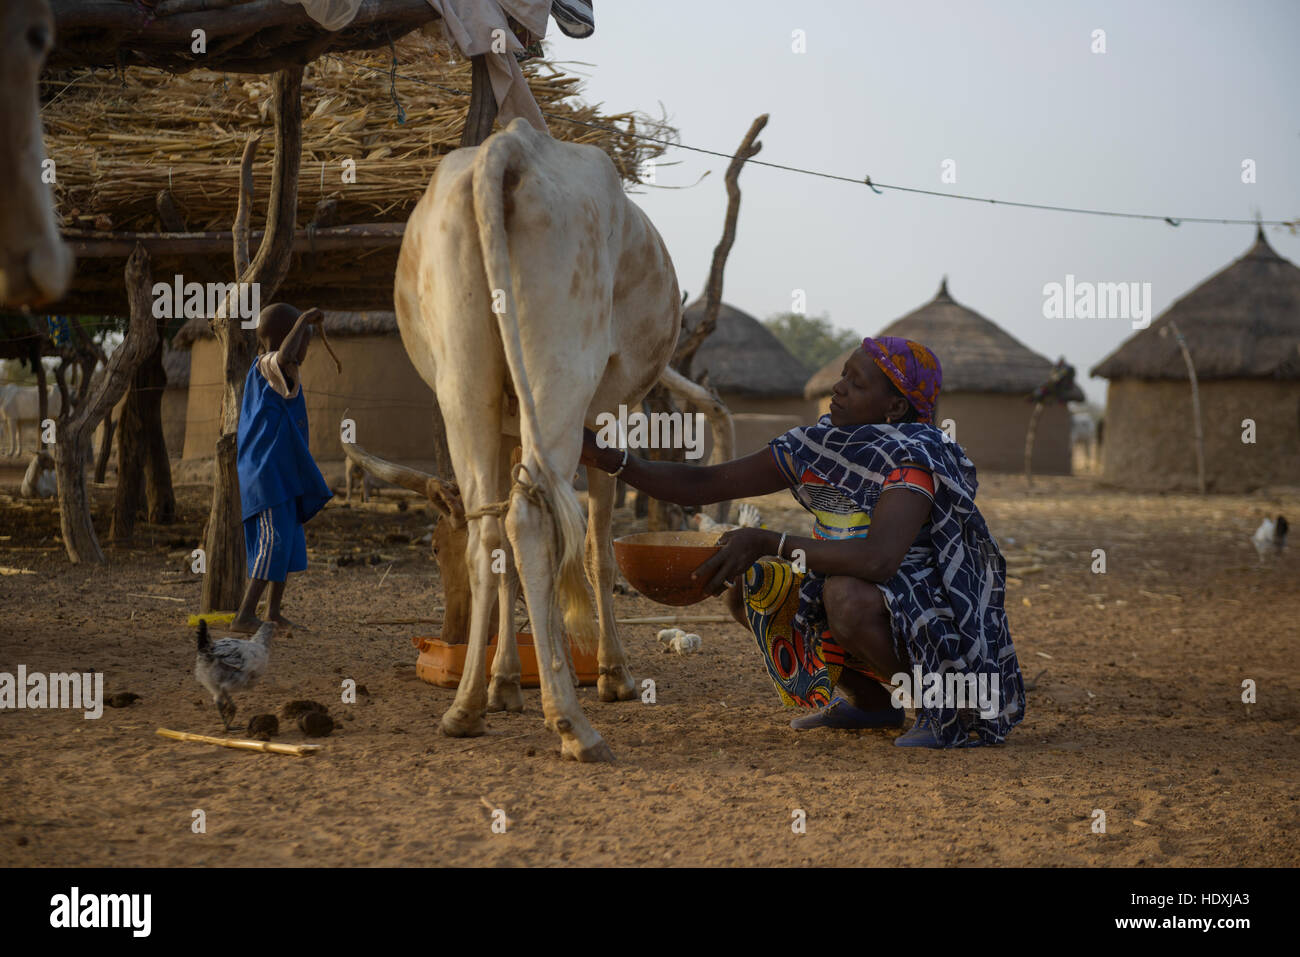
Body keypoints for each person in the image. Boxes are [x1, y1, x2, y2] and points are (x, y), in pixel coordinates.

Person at [580, 336, 1026, 748]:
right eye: (843, 375)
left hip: (929, 612)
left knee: (843, 596)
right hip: (861, 591)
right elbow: (706, 483)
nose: (838, 387)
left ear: (894, 407)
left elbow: (878, 560)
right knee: (755, 585)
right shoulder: (817, 446)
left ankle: (945, 705)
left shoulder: (915, 457)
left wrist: (768, 541)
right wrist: (611, 459)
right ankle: (873, 703)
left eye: (856, 383)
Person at [230, 303, 334, 633]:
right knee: (272, 542)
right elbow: (286, 354)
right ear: (288, 337)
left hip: (283, 475)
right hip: (266, 475)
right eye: (304, 339)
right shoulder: (267, 365)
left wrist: (302, 326)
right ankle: (245, 615)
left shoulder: (281, 374)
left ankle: (272, 612)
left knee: (286, 542)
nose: (306, 347)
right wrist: (304, 320)